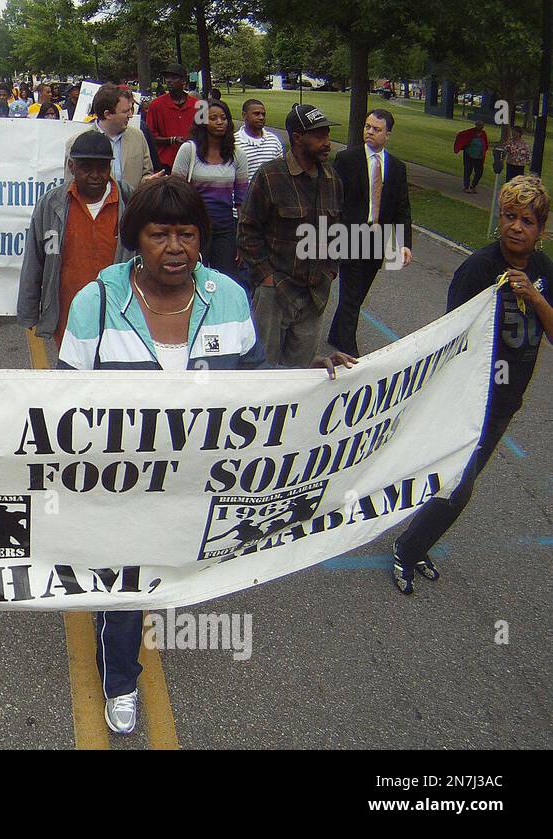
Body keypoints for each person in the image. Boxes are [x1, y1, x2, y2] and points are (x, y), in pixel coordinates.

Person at [57, 178, 354, 734]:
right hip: (119, 488)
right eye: (159, 234)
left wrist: (306, 376)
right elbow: (62, 401)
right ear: (134, 240)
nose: (175, 248)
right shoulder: (94, 306)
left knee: (176, 573)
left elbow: (252, 382)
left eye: (188, 234)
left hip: (199, 486)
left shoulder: (230, 299)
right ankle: (120, 679)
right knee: (122, 589)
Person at [393, 175, 551, 593]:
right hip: (473, 398)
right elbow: (451, 334)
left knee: (459, 480)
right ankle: (407, 549)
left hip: (506, 400)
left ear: (541, 229)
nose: (517, 227)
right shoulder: (479, 267)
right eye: (509, 216)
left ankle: (417, 543)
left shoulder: (542, 270)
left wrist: (534, 297)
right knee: (460, 485)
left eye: (528, 220)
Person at [237, 103, 343, 367]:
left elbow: (338, 233)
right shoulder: (270, 176)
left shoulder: (333, 179)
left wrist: (330, 272)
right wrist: (266, 277)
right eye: (319, 136)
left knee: (303, 375)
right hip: (275, 292)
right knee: (264, 370)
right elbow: (247, 230)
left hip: (314, 293)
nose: (327, 142)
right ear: (297, 138)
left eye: (327, 135)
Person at [19, 132, 134, 348]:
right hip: (68, 318)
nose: (94, 175)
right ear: (72, 167)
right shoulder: (51, 204)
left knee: (112, 377)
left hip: (117, 316)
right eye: (86, 167)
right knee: (72, 379)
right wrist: (29, 312)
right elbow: (34, 260)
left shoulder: (129, 203)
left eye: (101, 167)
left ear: (110, 168)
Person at [328, 108, 413, 357]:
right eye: (367, 127)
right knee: (351, 294)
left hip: (378, 240)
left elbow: (402, 208)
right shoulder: (347, 160)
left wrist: (404, 243)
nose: (369, 132)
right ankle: (348, 348)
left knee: (358, 293)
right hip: (351, 236)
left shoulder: (397, 168)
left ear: (388, 134)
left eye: (376, 129)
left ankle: (336, 333)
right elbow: (334, 201)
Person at [171, 98, 249, 289]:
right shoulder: (189, 151)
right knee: (191, 280)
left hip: (225, 227)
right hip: (194, 227)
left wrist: (241, 236)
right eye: (213, 118)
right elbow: (175, 192)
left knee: (226, 282)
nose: (220, 122)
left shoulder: (237, 154)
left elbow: (241, 200)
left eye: (224, 118)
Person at [92, 84, 156, 193]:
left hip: (133, 207)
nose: (131, 115)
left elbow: (147, 173)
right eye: (125, 111)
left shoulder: (138, 137)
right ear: (107, 114)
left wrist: (148, 182)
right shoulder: (79, 142)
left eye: (130, 110)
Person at [145, 64, 200, 174]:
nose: (169, 81)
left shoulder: (199, 105)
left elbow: (206, 134)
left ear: (184, 81)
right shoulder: (155, 105)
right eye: (167, 78)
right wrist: (172, 140)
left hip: (194, 161)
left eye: (174, 78)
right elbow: (150, 137)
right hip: (165, 163)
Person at [235, 99, 285, 182]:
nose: (261, 117)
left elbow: (279, 171)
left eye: (263, 114)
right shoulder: (234, 143)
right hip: (244, 194)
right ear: (244, 115)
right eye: (256, 114)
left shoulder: (274, 141)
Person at [453, 120, 489, 194]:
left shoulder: (483, 134)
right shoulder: (470, 132)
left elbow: (485, 144)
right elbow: (461, 136)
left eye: (482, 126)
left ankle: (473, 186)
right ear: (476, 125)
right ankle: (466, 187)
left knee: (479, 172)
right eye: (479, 125)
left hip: (479, 157)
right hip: (469, 155)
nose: (480, 127)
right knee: (468, 170)